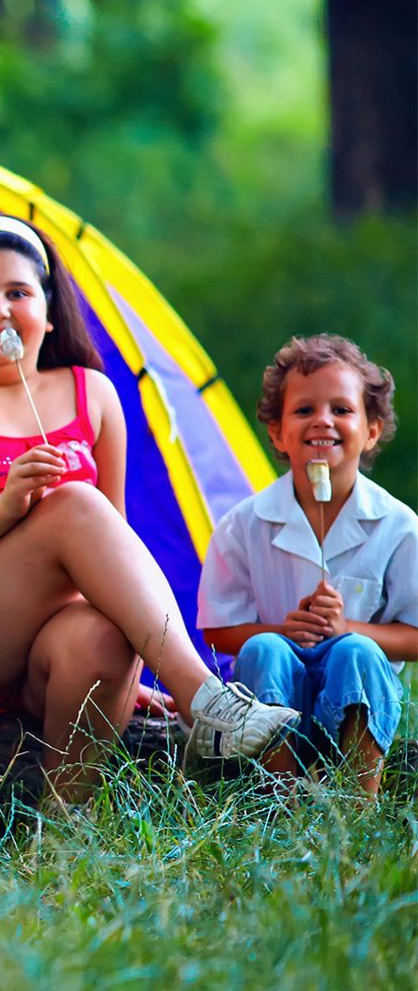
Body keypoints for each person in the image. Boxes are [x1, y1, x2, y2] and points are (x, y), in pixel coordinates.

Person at [0, 214, 296, 799]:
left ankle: (64, 823)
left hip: (54, 642)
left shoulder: (92, 393)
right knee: (72, 502)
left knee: (103, 628)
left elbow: (113, 541)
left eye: (17, 293)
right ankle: (207, 701)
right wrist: (9, 506)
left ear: (48, 310)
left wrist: (134, 660)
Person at [199, 335, 414, 796]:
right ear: (277, 432)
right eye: (304, 410)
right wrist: (279, 631)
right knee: (265, 651)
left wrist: (347, 628)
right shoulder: (244, 525)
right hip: (279, 685)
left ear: (372, 429)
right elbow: (218, 629)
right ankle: (280, 799)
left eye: (341, 409)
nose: (323, 421)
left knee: (355, 652)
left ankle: (360, 801)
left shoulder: (399, 527)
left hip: (359, 692)